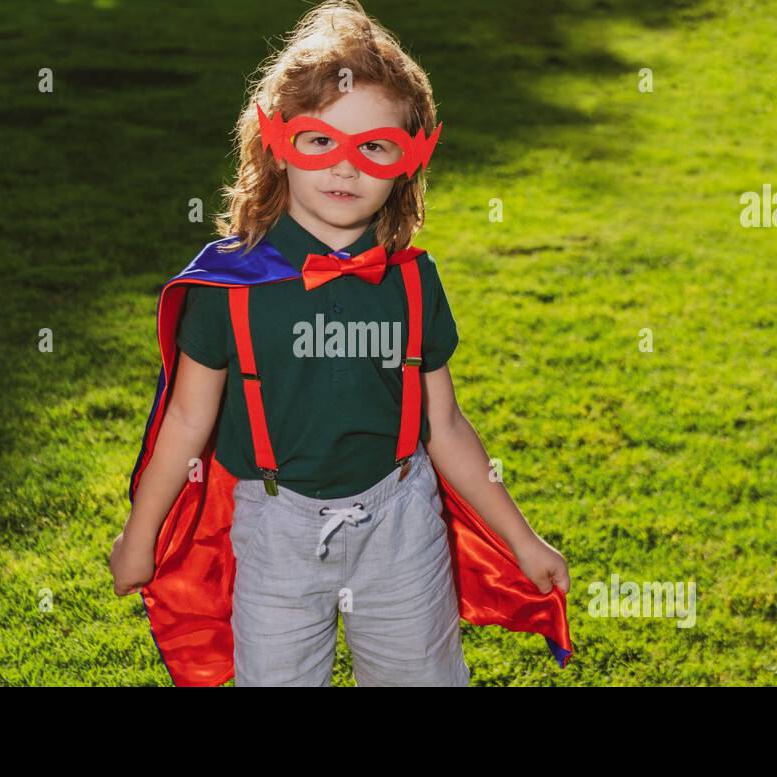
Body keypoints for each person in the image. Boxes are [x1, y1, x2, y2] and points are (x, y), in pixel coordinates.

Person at [109, 0, 572, 686]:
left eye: (374, 146)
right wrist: (139, 537)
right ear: (276, 141)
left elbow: (442, 424)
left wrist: (522, 536)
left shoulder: (413, 282)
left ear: (408, 162)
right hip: (274, 529)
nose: (345, 168)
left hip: (402, 519)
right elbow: (184, 421)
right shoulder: (228, 287)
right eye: (319, 140)